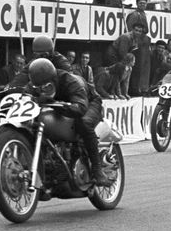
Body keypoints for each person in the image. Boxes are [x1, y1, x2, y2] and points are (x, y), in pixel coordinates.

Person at [24, 57, 116, 188]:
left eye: (46, 86)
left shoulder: (69, 81)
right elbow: (25, 96)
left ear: (53, 79)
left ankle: (97, 171)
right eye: (38, 87)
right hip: (63, 106)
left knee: (83, 123)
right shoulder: (35, 84)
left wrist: (56, 104)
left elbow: (80, 107)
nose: (42, 89)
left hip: (89, 102)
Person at [125, 0, 152, 93]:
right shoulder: (134, 15)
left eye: (144, 3)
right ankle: (136, 89)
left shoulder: (143, 14)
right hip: (138, 44)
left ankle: (143, 88)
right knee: (138, 67)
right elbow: (131, 30)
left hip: (144, 44)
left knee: (145, 68)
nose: (142, 5)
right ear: (137, 4)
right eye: (140, 3)